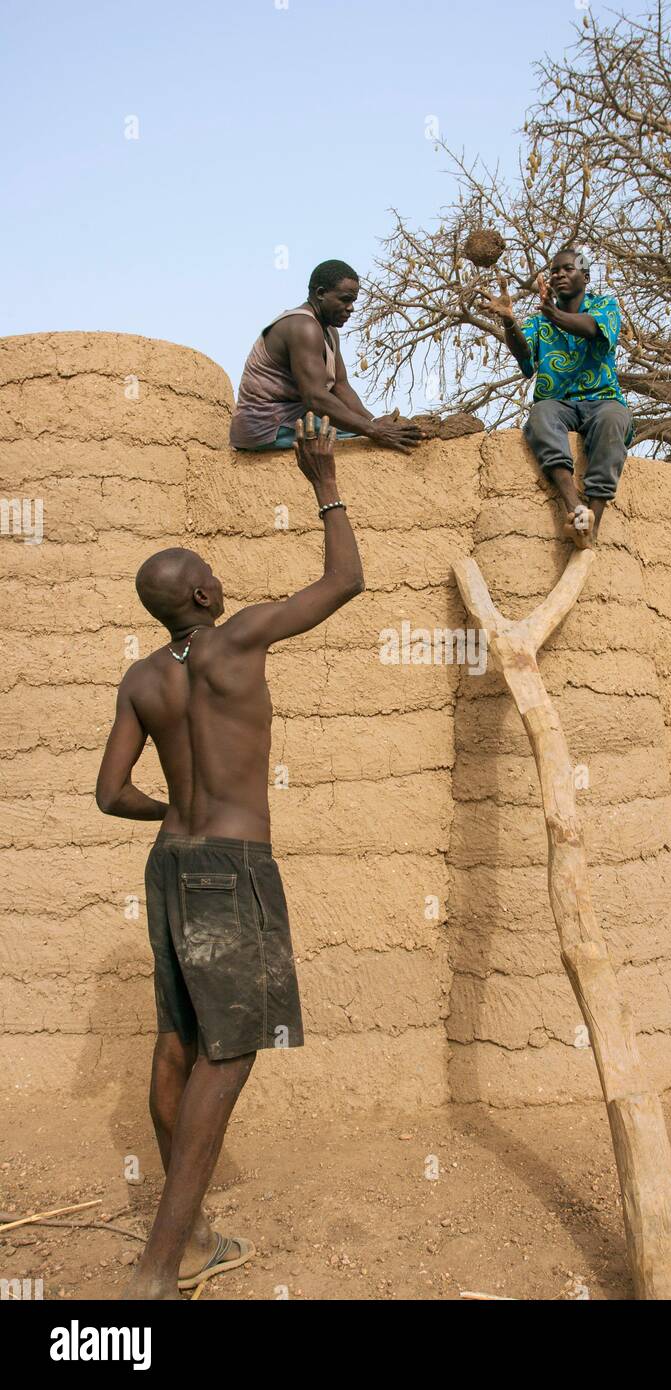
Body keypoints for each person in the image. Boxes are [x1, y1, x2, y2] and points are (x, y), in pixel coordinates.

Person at [95, 415, 363, 1299]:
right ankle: (156, 1270)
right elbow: (344, 580)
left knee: (176, 1044)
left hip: (169, 866)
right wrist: (324, 480)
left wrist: (175, 810)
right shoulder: (240, 638)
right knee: (229, 1053)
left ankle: (193, 1236)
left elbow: (109, 794)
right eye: (208, 571)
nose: (218, 576)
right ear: (203, 596)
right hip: (232, 871)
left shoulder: (141, 678)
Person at [481, 245, 634, 547]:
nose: (560, 274)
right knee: (540, 416)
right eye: (554, 271)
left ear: (586, 276)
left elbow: (593, 329)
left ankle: (593, 524)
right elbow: (526, 360)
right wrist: (509, 321)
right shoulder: (539, 321)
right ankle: (575, 509)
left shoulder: (604, 305)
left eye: (568, 269)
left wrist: (553, 313)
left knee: (614, 421)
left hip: (602, 399)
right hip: (558, 402)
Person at [230, 258, 421, 455]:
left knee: (361, 428)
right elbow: (315, 397)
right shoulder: (303, 327)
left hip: (292, 420)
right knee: (361, 436)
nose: (351, 308)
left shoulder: (329, 331)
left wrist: (373, 421)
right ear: (320, 293)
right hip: (266, 428)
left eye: (353, 301)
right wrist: (373, 431)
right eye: (345, 299)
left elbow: (340, 385)